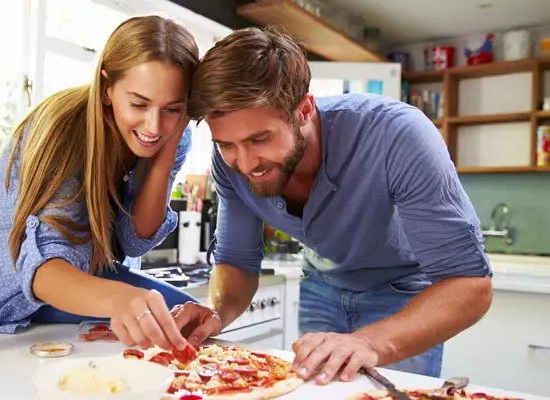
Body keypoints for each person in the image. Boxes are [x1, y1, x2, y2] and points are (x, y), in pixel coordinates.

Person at [171, 27, 493, 382]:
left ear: (304, 109)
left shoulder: (398, 135)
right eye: (226, 144)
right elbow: (237, 261)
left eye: (260, 138)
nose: (245, 164)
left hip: (403, 295)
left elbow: (470, 286)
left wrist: (370, 343)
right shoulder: (228, 164)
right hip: (321, 287)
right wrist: (215, 312)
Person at [0, 15, 199, 351]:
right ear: (108, 87)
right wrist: (118, 299)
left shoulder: (171, 135)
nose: (154, 125)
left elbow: (135, 239)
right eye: (139, 104)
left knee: (190, 322)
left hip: (82, 283)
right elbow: (43, 269)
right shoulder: (62, 130)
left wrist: (168, 146)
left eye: (173, 108)